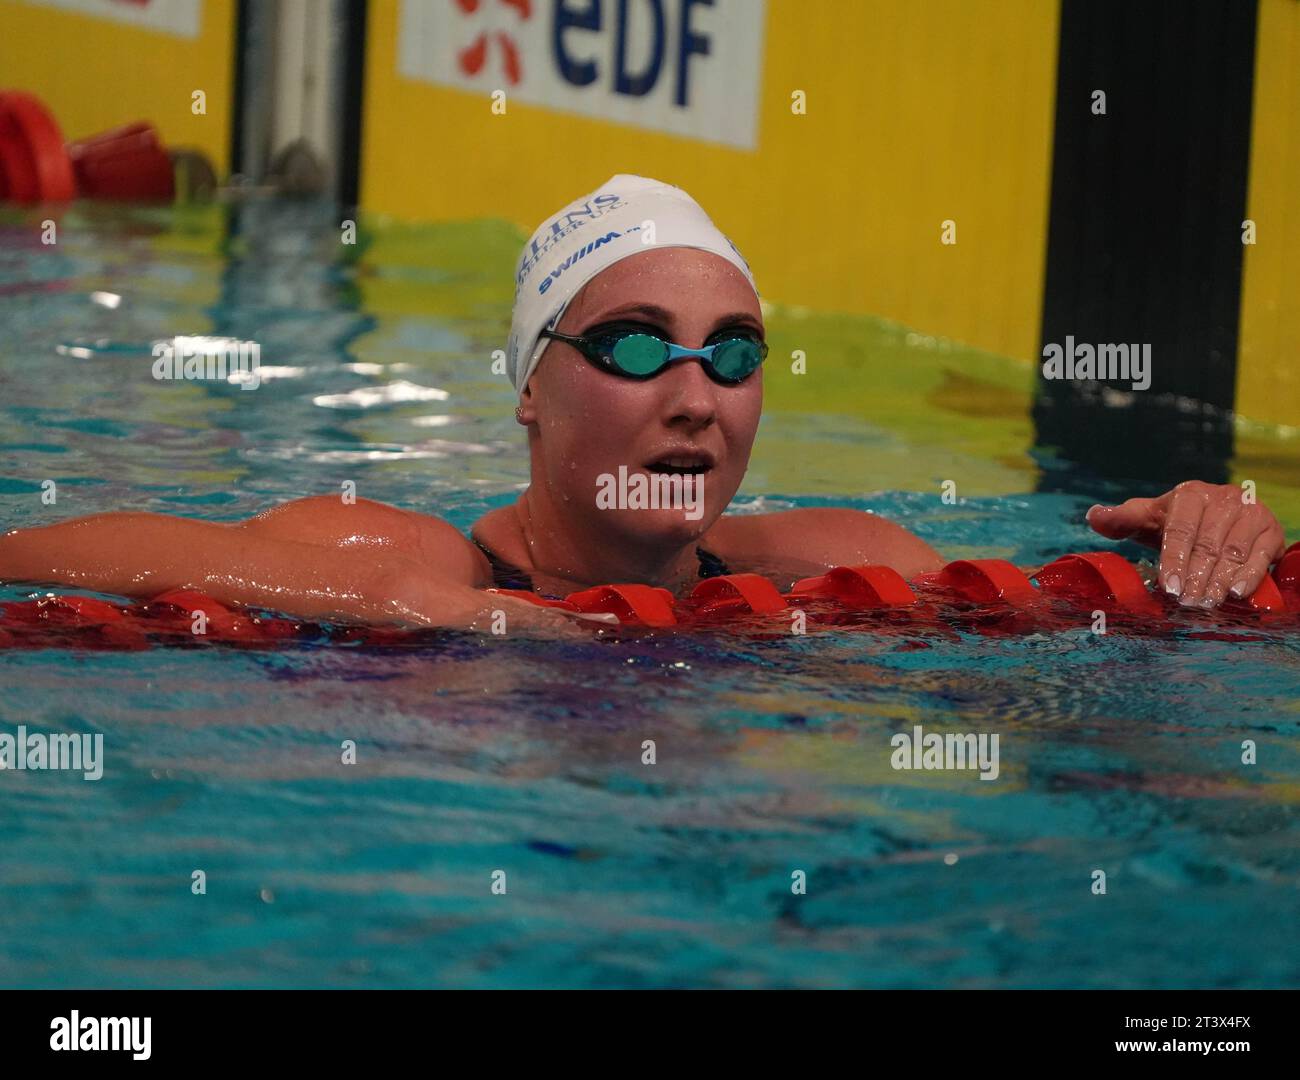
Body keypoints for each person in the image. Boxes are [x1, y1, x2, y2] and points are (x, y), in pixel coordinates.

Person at [0, 175, 1288, 632]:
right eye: (635, 348)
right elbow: (42, 558)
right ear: (529, 391)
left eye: (733, 356)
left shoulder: (839, 561)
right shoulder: (409, 556)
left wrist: (1206, 537)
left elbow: (1069, 647)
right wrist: (404, 610)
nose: (695, 398)